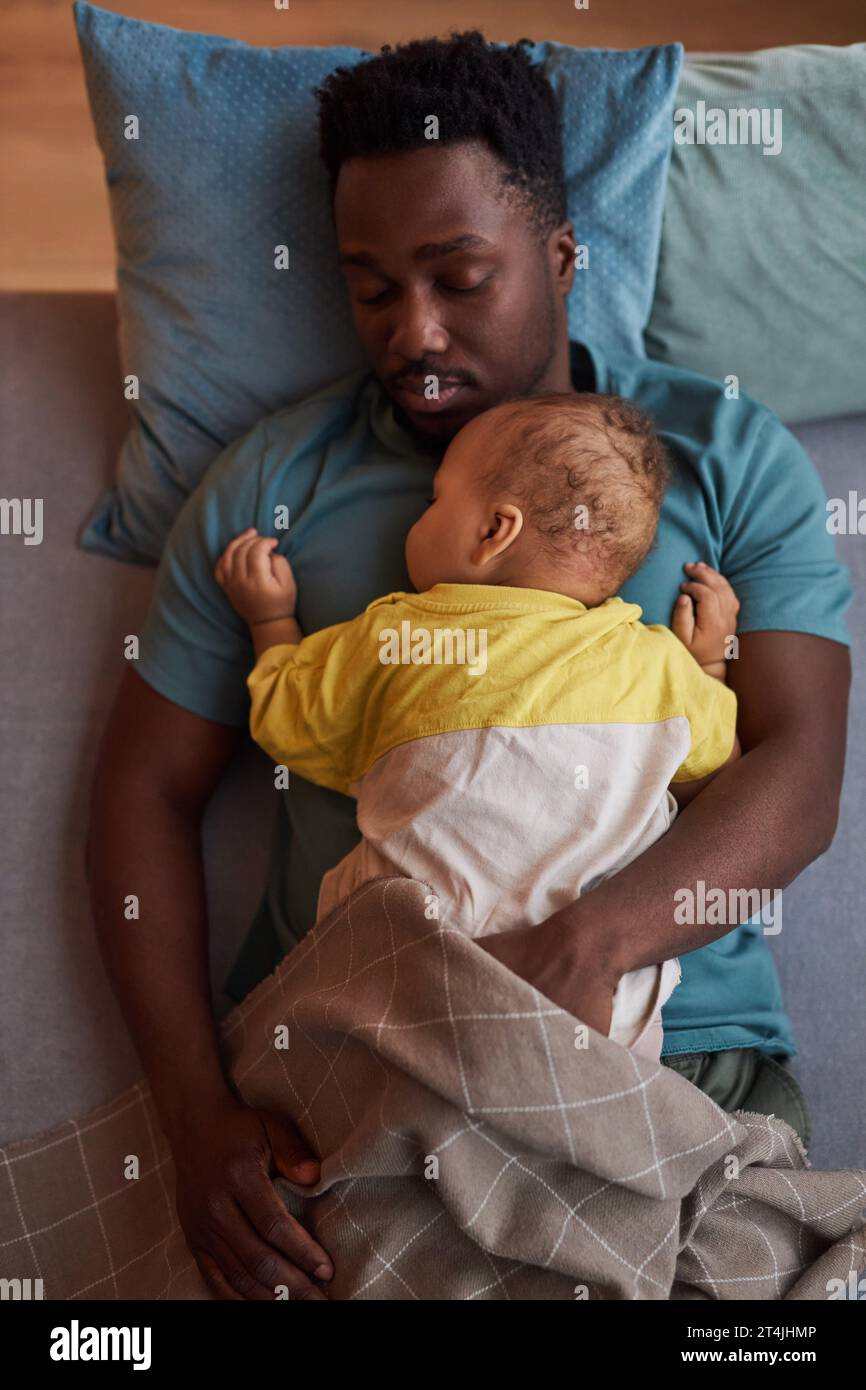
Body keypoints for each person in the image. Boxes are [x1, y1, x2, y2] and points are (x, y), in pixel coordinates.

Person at [85, 33, 850, 1301]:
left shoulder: (718, 454)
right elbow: (141, 796)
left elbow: (798, 766)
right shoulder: (273, 483)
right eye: (372, 288)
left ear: (557, 258)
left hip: (675, 1059)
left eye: (457, 276)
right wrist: (193, 1113)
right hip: (364, 1072)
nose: (414, 332)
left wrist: (592, 945)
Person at [215, 390, 742, 1064]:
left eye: (435, 500)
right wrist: (708, 661)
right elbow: (716, 775)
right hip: (597, 1021)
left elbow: (286, 717)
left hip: (401, 995)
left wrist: (269, 619)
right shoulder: (656, 667)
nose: (420, 513)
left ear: (495, 531)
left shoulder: (398, 638)